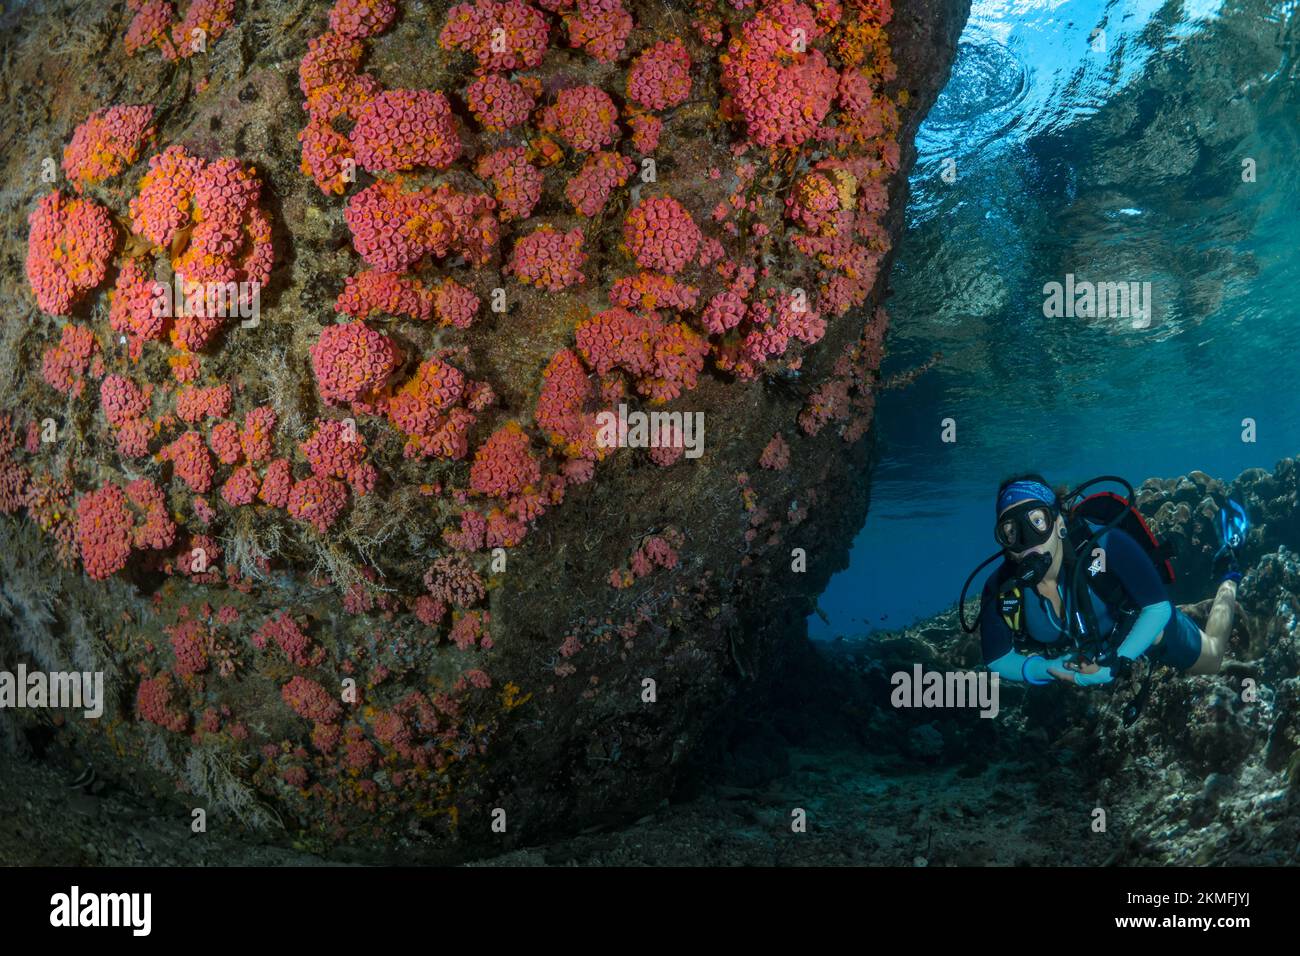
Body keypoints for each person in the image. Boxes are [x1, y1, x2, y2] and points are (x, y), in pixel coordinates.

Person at [978, 474, 1243, 686]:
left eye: (1037, 521)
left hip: (1143, 631)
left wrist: (1112, 667)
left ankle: (1228, 574)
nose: (1027, 542)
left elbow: (1157, 607)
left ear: (1059, 523)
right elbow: (996, 658)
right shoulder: (1001, 589)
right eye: (1011, 531)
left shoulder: (1106, 545)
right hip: (1088, 654)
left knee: (1213, 658)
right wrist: (1049, 669)